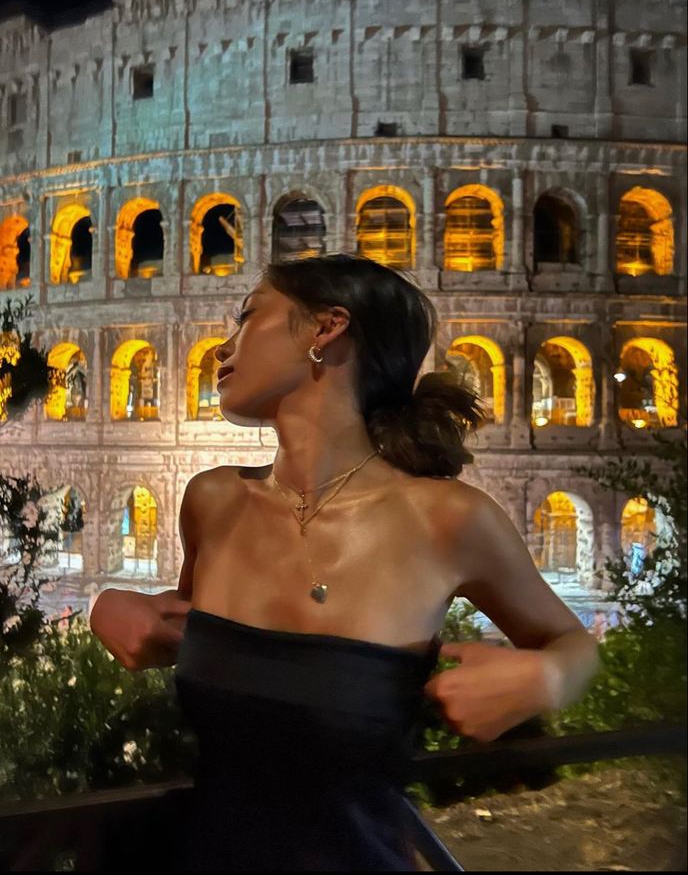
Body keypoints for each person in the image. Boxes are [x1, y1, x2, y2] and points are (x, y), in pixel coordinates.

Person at [90, 254, 600, 871]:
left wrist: (545, 679)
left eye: (248, 317)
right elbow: (208, 642)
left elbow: (572, 642)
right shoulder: (212, 500)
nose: (222, 349)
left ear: (326, 329)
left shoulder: (448, 519)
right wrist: (107, 606)